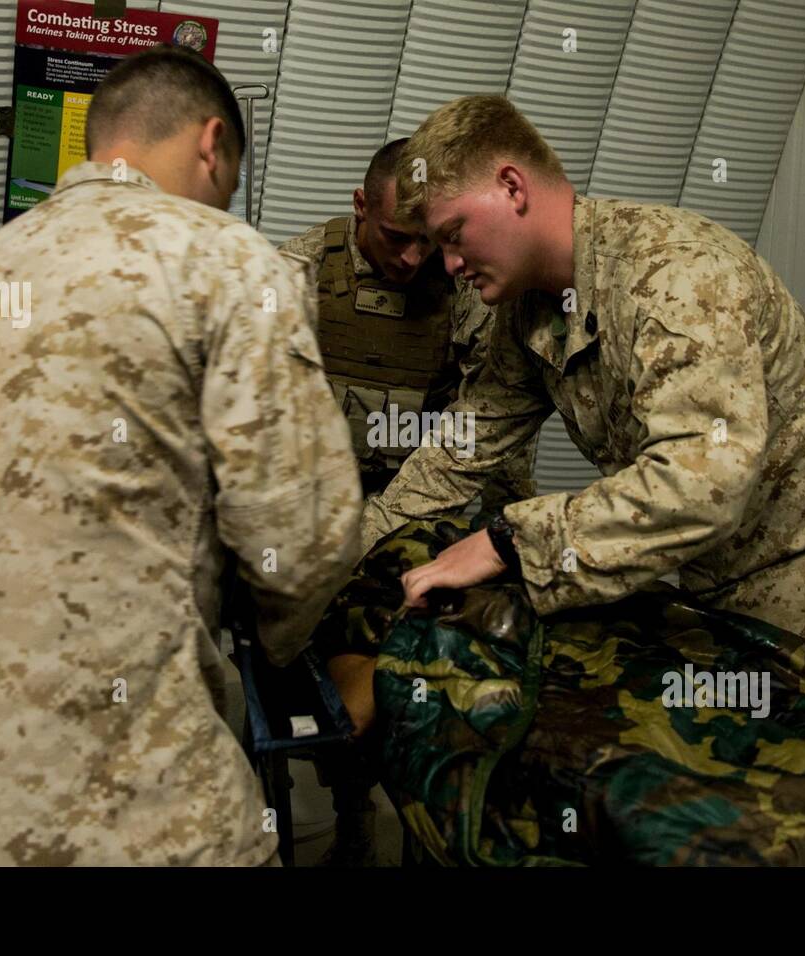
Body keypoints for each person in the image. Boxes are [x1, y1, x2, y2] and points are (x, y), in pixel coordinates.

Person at [0, 45, 360, 866]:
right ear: (212, 145)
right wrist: (268, 647)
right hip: (141, 799)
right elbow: (303, 541)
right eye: (229, 179)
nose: (224, 199)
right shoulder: (231, 261)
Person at [359, 94, 805, 703]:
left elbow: (700, 484)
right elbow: (468, 440)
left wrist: (508, 542)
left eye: (453, 235)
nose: (448, 265)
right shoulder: (528, 308)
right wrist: (359, 544)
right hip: (724, 580)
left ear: (511, 186)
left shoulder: (675, 276)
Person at [279, 138, 537, 866]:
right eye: (397, 239)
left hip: (413, 518)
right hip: (315, 524)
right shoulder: (294, 277)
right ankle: (343, 807)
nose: (414, 261)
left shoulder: (460, 287)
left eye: (428, 242)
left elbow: (492, 429)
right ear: (361, 206)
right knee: (325, 683)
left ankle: (409, 822)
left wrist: (514, 540)